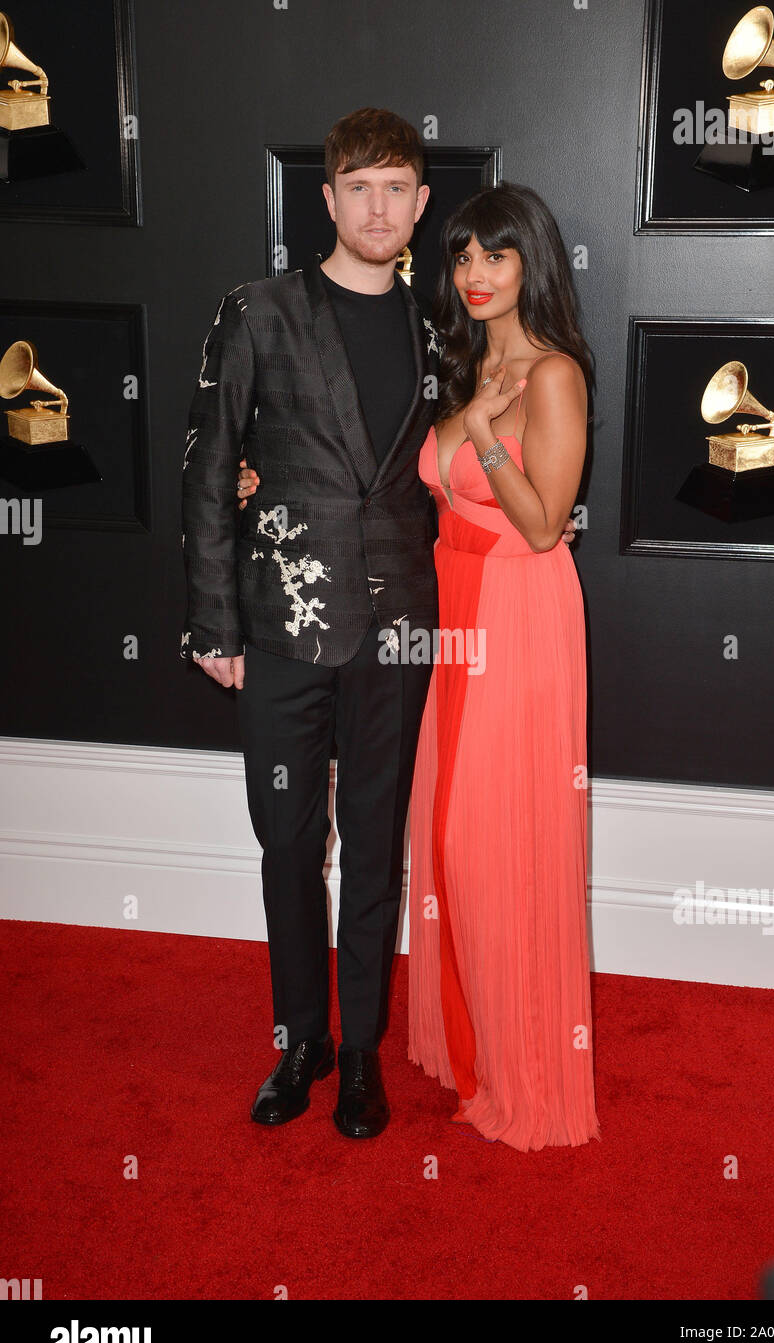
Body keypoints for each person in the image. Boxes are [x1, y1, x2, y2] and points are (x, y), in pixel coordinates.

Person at [180, 108, 440, 1139]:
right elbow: (209, 467)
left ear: (421, 206)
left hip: (398, 629)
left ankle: (363, 1050)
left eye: (397, 189)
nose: (378, 207)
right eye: (359, 188)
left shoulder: (442, 327)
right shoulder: (258, 311)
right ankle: (303, 1040)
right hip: (282, 623)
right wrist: (213, 623)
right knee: (287, 843)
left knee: (373, 846)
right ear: (326, 200)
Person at [405, 184, 600, 1151]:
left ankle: (522, 1069)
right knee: (442, 839)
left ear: (532, 263)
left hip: (520, 614)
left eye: (496, 256)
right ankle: (465, 1043)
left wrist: (485, 428)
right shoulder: (460, 358)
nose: (475, 276)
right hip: (452, 611)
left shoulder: (551, 375)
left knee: (498, 838)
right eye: (461, 258)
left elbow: (540, 525)